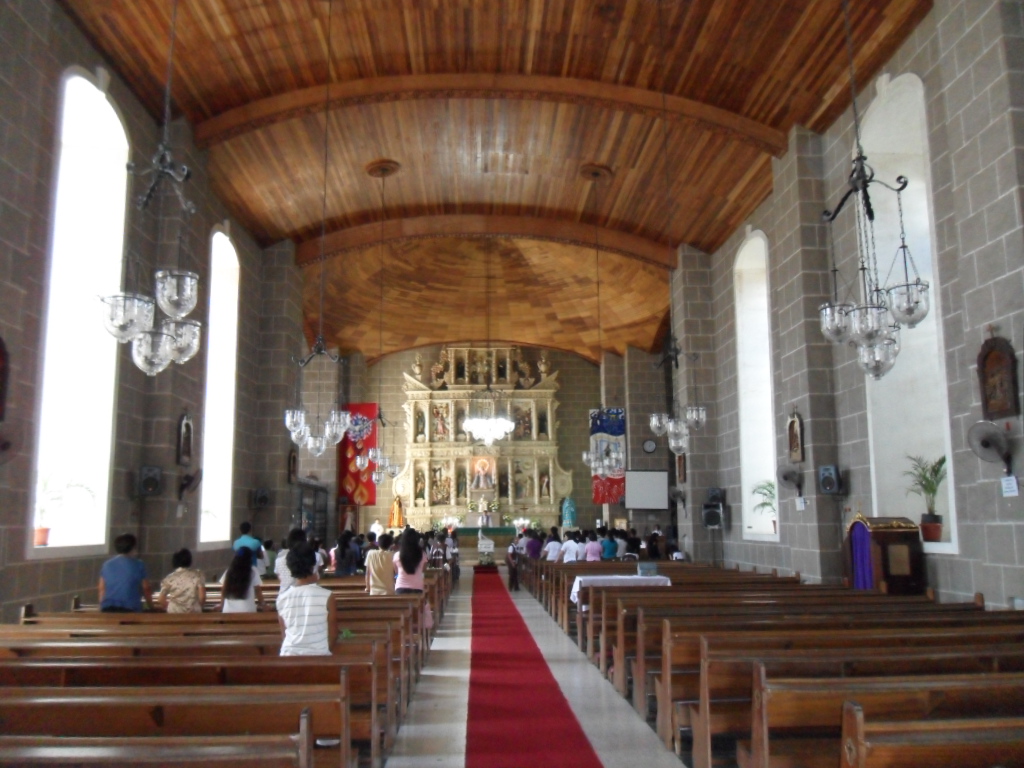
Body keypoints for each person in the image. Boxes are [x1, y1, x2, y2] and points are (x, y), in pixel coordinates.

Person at [276, 542, 337, 656]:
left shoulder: (282, 598)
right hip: (319, 655)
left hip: (288, 656)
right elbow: (333, 634)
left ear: (289, 567)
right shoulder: (327, 596)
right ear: (313, 564)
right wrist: (323, 651)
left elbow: (285, 634)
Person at [98, 533, 153, 612]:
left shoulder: (107, 564)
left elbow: (101, 588)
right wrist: (151, 606)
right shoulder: (138, 564)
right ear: (133, 547)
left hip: (108, 607)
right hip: (130, 607)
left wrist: (101, 606)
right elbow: (146, 588)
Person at [157, 548, 205, 613]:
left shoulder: (169, 578)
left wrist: (171, 607)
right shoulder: (198, 575)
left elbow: (161, 600)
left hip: (174, 614)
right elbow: (202, 597)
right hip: (193, 613)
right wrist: (196, 606)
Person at [220, 547, 264, 612]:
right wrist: (263, 604)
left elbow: (223, 590)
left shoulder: (229, 571)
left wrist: (221, 605)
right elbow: (258, 591)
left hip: (228, 611)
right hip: (247, 610)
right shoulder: (253, 571)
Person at [393, 528, 429, 594]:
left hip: (400, 587)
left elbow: (396, 571)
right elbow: (424, 570)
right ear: (416, 540)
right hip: (417, 587)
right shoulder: (422, 554)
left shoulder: (397, 555)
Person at [275, 528, 307, 594]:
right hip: (301, 595)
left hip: (284, 594)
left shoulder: (278, 560)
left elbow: (279, 577)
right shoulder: (306, 559)